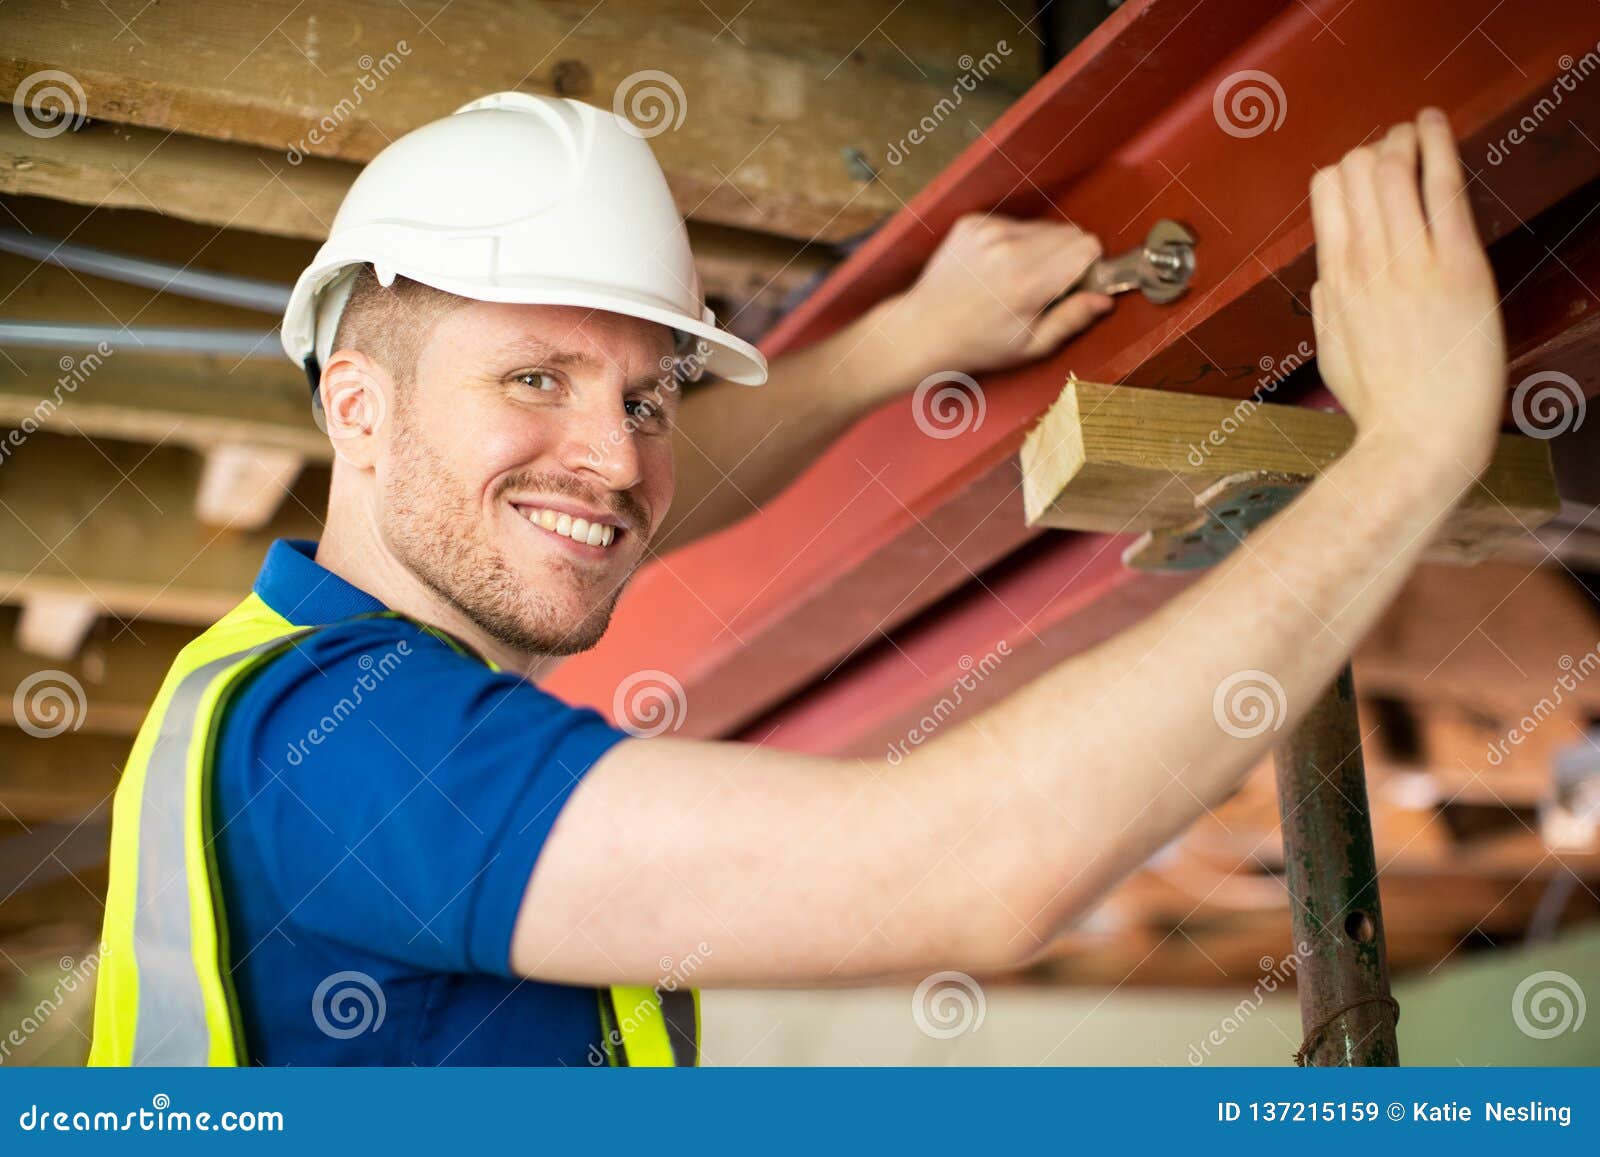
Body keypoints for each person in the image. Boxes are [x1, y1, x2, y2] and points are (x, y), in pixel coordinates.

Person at [90, 94, 1503, 1066]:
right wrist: (1414, 449)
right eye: (534, 376)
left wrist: (910, 341)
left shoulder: (275, 689)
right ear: (358, 409)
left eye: (647, 397)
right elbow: (971, 868)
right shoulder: (363, 750)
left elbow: (598, 484)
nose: (616, 457)